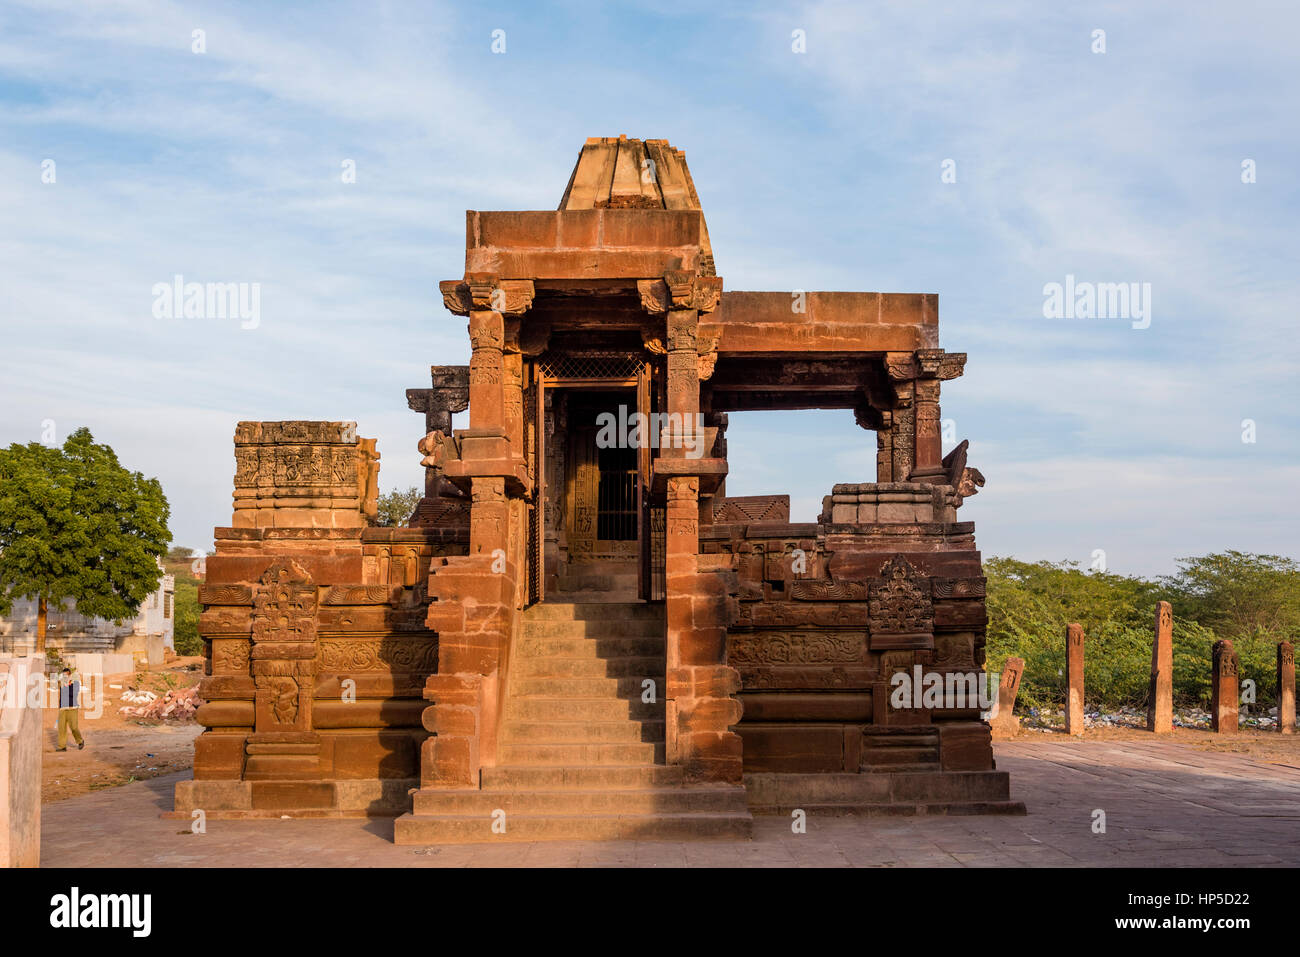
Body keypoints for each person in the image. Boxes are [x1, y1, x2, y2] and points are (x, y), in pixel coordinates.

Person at [56, 666, 85, 751]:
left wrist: (68, 685)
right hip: (63, 708)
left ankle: (80, 741)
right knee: (61, 728)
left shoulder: (75, 683)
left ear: (69, 675)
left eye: (66, 675)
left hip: (72, 708)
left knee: (74, 727)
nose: (64, 677)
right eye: (63, 675)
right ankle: (62, 746)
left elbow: (73, 694)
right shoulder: (62, 683)